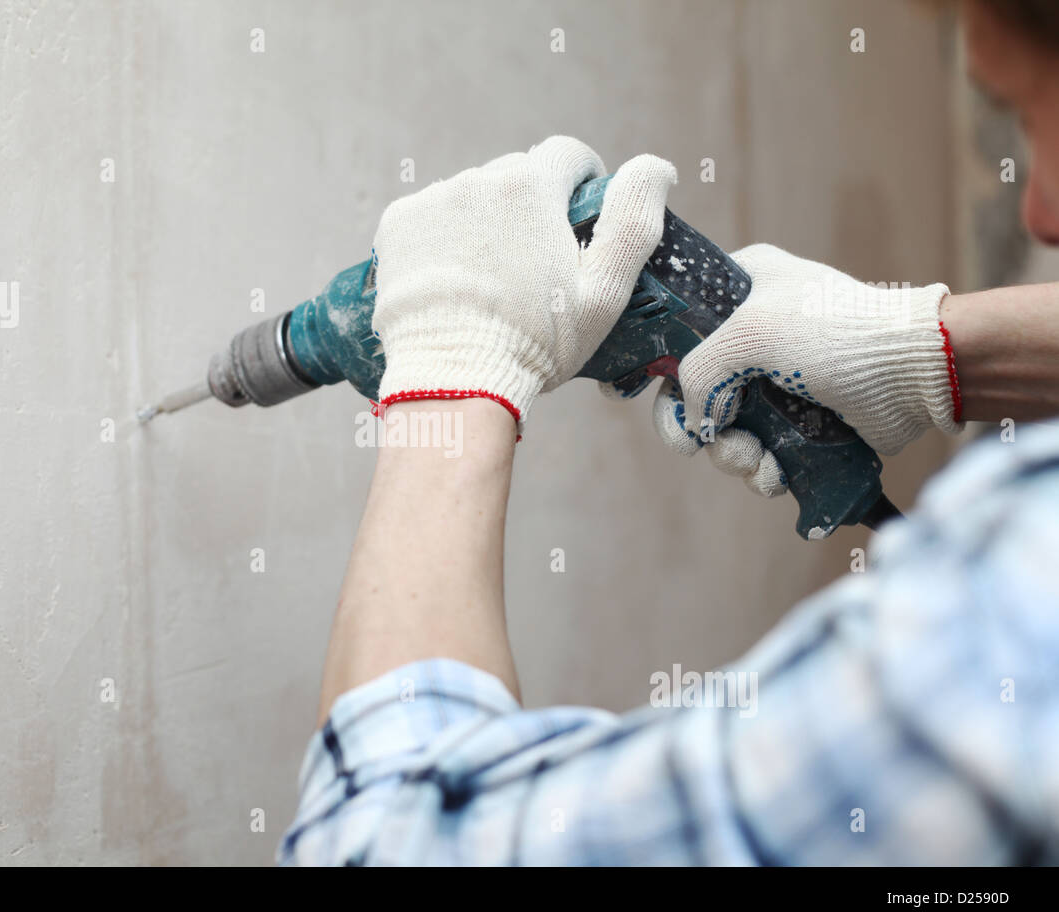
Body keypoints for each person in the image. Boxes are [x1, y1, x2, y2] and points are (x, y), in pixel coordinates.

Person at [280, 0, 1059, 865]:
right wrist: (922, 349)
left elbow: (390, 842)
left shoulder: (1013, 612)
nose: (1040, 218)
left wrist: (450, 363)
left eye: (1035, 115)